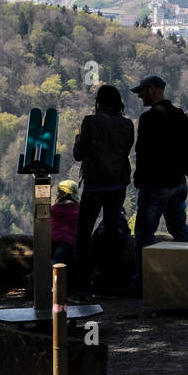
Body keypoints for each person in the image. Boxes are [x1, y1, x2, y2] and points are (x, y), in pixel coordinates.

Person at [131, 74, 188, 294]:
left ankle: (143, 282)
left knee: (144, 235)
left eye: (142, 91)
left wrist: (139, 179)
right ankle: (187, 277)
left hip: (155, 184)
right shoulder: (180, 115)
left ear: (153, 90)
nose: (139, 96)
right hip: (178, 182)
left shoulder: (149, 119)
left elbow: (143, 152)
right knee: (179, 230)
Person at [73, 85, 134, 295]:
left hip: (95, 184)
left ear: (99, 101)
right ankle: (110, 282)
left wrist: (78, 139)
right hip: (118, 185)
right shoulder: (127, 124)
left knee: (83, 233)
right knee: (111, 232)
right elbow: (126, 150)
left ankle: (81, 283)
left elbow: (78, 155)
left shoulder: (90, 121)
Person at [50, 179, 80, 284]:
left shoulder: (54, 208)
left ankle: (37, 279)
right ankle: (36, 279)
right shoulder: (78, 209)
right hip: (69, 242)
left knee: (56, 260)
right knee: (58, 262)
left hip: (52, 239)